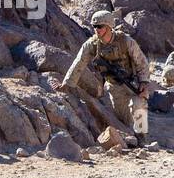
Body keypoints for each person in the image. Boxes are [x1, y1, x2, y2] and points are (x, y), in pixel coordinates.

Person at [62, 9, 151, 146]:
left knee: (139, 105)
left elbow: (142, 62)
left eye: (100, 26)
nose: (96, 29)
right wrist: (67, 83)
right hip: (114, 85)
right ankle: (130, 140)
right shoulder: (92, 45)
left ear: (109, 26)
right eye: (94, 26)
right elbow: (79, 62)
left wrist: (144, 82)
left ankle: (142, 137)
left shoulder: (126, 41)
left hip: (133, 82)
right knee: (123, 119)